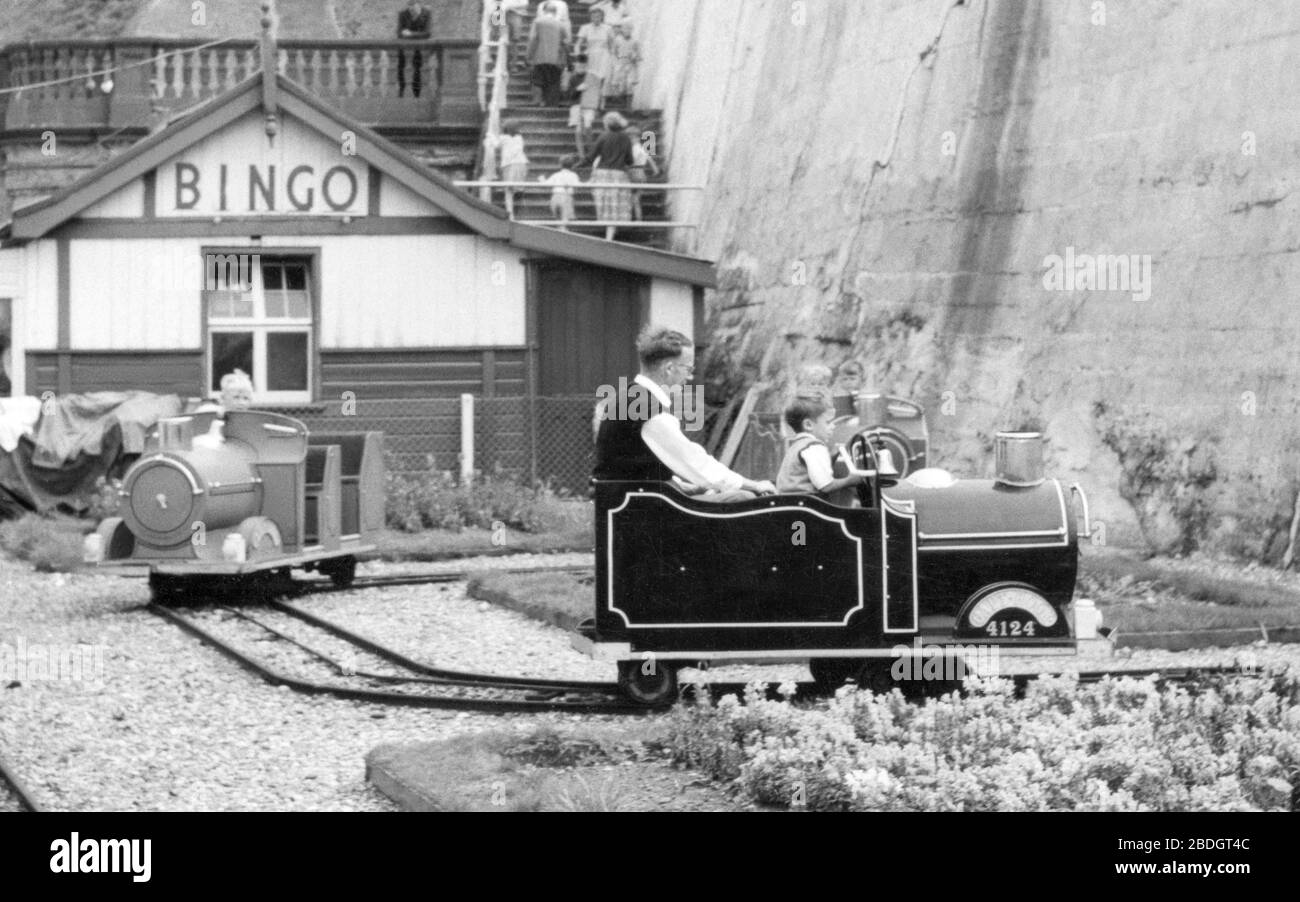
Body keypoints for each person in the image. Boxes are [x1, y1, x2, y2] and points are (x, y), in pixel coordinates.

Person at [594, 326, 776, 501]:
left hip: (622, 500)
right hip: (641, 507)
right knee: (743, 497)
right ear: (669, 369)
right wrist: (754, 485)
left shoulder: (630, 397)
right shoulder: (649, 410)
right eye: (688, 369)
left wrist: (687, 487)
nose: (689, 377)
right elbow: (695, 462)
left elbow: (639, 465)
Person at [775, 395, 867, 506]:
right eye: (827, 422)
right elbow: (826, 486)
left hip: (788, 504)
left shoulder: (797, 446)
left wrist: (831, 457)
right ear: (808, 425)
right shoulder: (814, 447)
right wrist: (850, 480)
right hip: (808, 506)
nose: (833, 426)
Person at [579, 111, 635, 239]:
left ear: (607, 124)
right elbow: (630, 160)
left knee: (604, 202)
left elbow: (591, 155)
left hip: (602, 173)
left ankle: (609, 230)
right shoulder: (626, 138)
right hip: (619, 174)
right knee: (616, 202)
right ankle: (612, 231)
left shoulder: (603, 136)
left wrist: (580, 164)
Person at [193, 369, 254, 447]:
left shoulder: (250, 420)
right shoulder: (212, 412)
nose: (241, 403)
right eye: (236, 397)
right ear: (223, 399)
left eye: (246, 398)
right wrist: (220, 415)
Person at [527, 2, 568, 107]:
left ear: (544, 11)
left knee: (537, 81)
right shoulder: (561, 24)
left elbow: (533, 39)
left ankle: (537, 101)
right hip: (555, 59)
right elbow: (565, 43)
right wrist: (566, 59)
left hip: (539, 57)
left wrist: (529, 56)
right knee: (553, 82)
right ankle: (552, 104)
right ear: (555, 12)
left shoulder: (537, 22)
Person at [575, 7, 614, 104]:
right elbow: (578, 43)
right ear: (590, 17)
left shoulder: (608, 28)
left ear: (602, 17)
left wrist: (612, 56)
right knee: (590, 79)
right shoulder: (585, 28)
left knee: (602, 79)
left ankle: (601, 104)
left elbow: (612, 44)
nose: (596, 19)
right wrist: (578, 54)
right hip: (591, 55)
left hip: (604, 55)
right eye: (593, 17)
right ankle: (590, 102)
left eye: (598, 17)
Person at [396, 0, 431, 98]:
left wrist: (411, 34)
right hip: (405, 48)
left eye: (413, 4)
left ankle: (417, 94)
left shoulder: (426, 14)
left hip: (419, 48)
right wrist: (405, 34)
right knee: (401, 69)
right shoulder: (403, 14)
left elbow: (427, 33)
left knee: (417, 70)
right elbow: (399, 32)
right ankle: (402, 91)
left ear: (419, 4)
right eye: (409, 5)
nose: (411, 8)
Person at [497, 123, 530, 217]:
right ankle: (516, 200)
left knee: (508, 191)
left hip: (509, 164)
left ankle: (510, 214)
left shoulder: (503, 138)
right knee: (516, 188)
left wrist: (490, 137)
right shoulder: (519, 138)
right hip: (522, 164)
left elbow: (496, 145)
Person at [541, 154, 581, 226]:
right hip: (567, 197)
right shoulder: (573, 175)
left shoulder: (556, 175)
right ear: (572, 165)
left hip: (555, 197)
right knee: (565, 220)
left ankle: (560, 230)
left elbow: (546, 184)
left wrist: (542, 179)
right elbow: (578, 185)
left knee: (558, 219)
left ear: (560, 165)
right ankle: (563, 231)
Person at [626, 131, 659, 221]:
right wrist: (655, 170)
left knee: (631, 197)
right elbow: (651, 161)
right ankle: (638, 218)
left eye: (631, 138)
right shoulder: (643, 148)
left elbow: (630, 160)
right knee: (636, 198)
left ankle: (631, 218)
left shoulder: (634, 149)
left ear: (636, 139)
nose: (630, 140)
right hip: (641, 172)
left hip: (633, 172)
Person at [606, 22, 640, 106]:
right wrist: (615, 62)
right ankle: (619, 101)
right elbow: (613, 52)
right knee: (617, 83)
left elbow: (639, 54)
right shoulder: (617, 40)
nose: (627, 31)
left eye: (629, 29)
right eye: (625, 28)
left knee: (629, 84)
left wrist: (635, 56)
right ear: (622, 30)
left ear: (632, 30)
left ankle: (629, 105)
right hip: (620, 62)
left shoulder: (635, 41)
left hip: (630, 64)